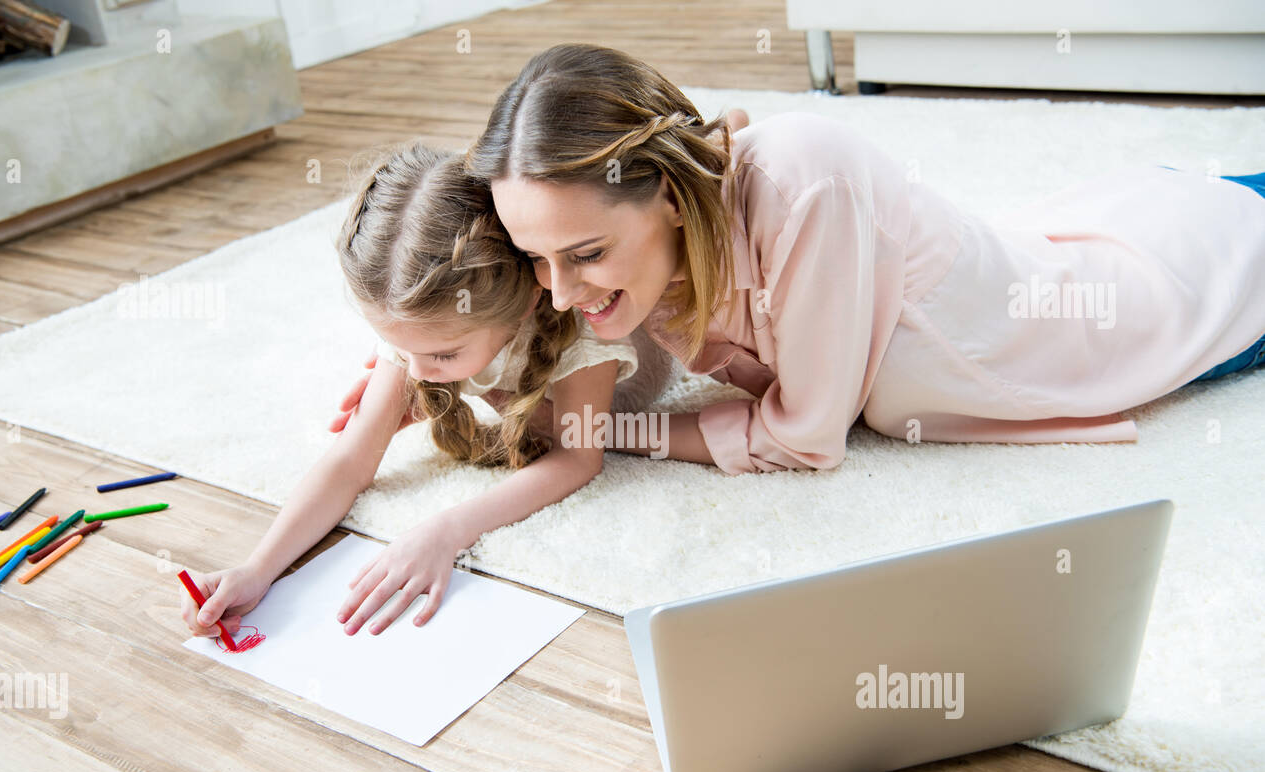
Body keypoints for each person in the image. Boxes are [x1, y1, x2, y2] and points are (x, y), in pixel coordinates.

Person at [335, 43, 1265, 474]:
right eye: (538, 263)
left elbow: (802, 436)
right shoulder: (637, 258)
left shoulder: (805, 184)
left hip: (1154, 309)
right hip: (1076, 244)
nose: (563, 292)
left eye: (582, 255)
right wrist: (441, 371)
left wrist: (595, 436)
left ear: (662, 192)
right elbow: (613, 363)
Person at [178, 141, 671, 641]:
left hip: (632, 379)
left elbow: (578, 457)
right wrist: (257, 569)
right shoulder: (423, 329)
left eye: (442, 357)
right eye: (399, 349)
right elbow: (349, 460)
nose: (414, 372)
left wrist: (448, 529)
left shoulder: (580, 321)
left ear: (522, 304)